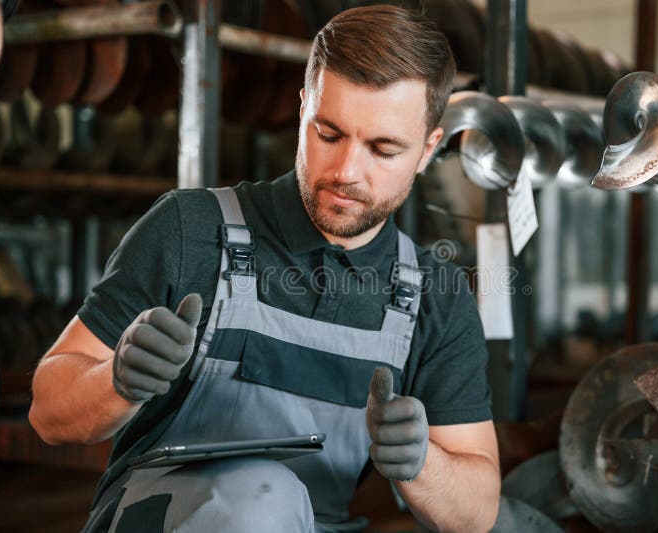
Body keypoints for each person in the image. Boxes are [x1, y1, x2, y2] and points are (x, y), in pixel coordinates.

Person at [29, 5, 500, 532]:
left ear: (428, 150)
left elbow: (478, 513)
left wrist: (422, 462)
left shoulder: (435, 296)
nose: (346, 171)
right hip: (157, 519)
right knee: (262, 496)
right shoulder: (190, 230)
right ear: (303, 109)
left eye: (383, 149)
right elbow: (48, 412)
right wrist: (114, 382)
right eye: (328, 133)